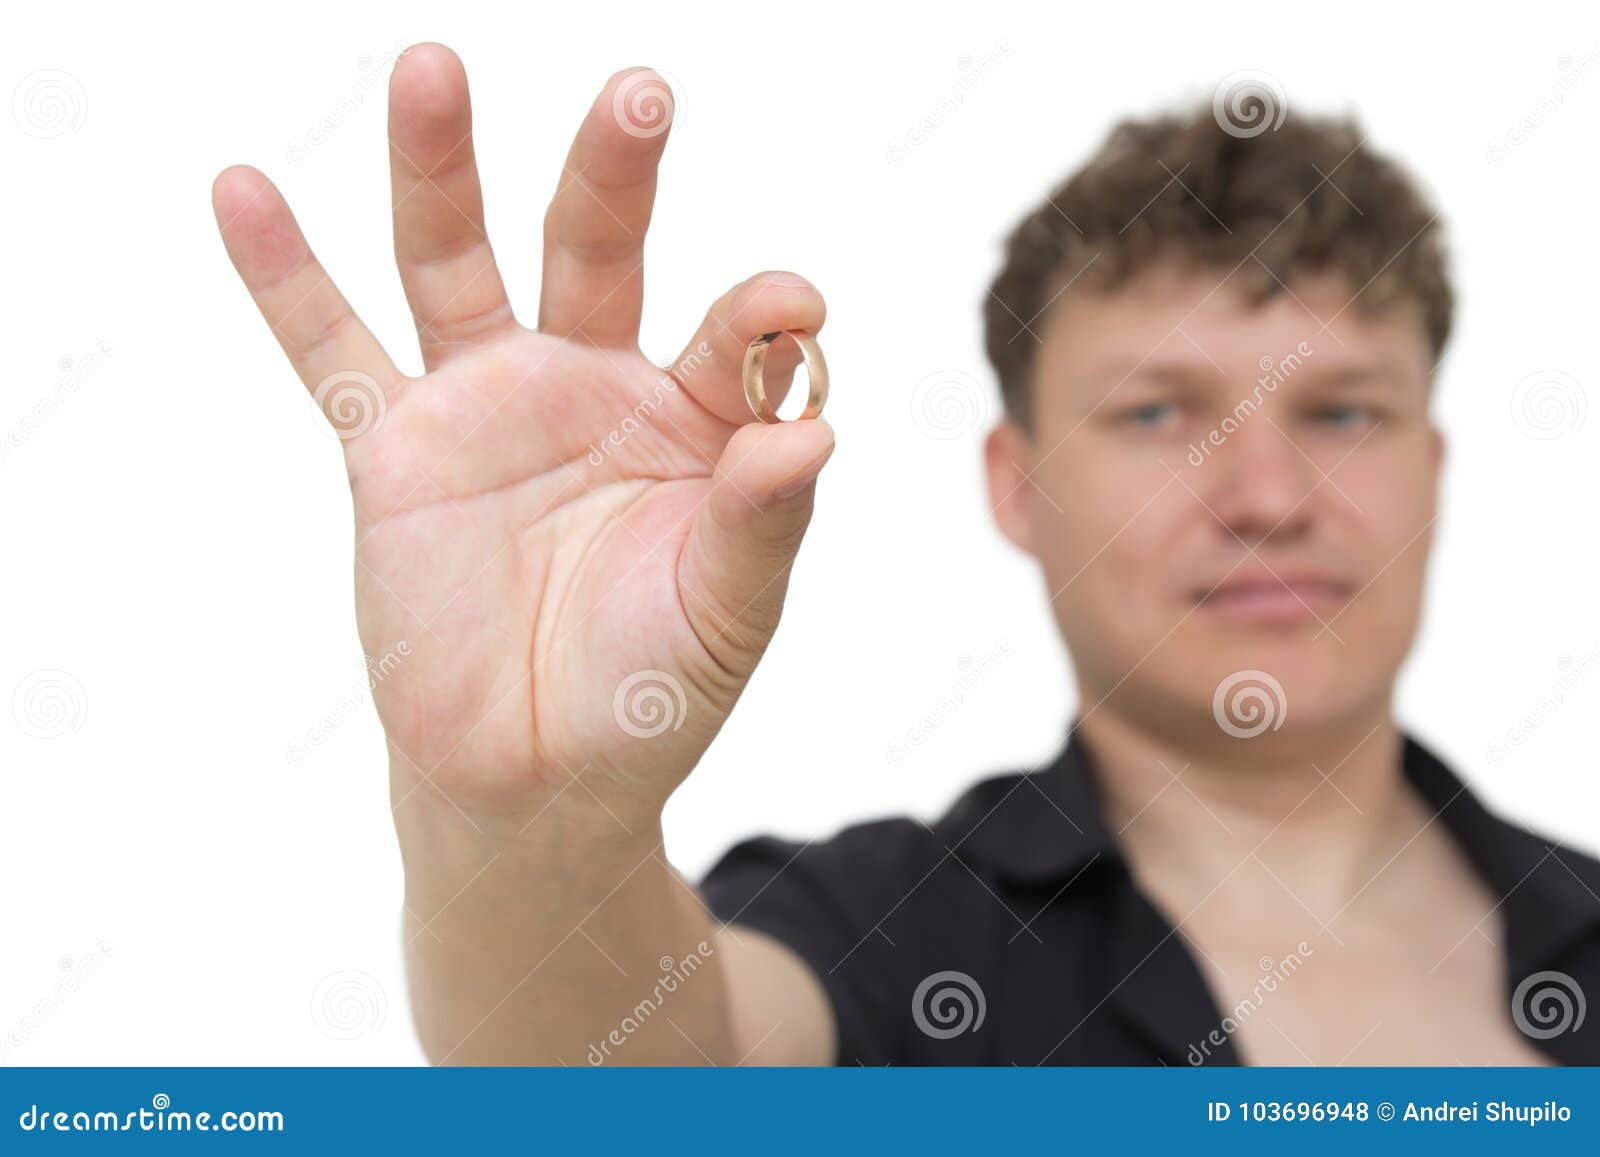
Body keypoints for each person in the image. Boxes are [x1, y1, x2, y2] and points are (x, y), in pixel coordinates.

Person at [212, 43, 1600, 1066]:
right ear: (1017, 483)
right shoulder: (895, 940)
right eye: (1161, 411)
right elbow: (620, 1084)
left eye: (1343, 410)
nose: (1268, 492)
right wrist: (526, 834)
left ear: (1433, 465)